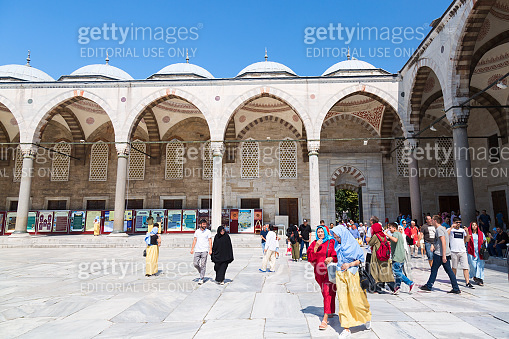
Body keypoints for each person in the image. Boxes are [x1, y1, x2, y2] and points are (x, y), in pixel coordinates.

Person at [330, 225, 371, 338]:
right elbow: (336, 255)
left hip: (352, 273)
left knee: (356, 299)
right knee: (343, 300)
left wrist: (349, 264)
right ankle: (346, 328)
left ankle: (366, 317)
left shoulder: (352, 244)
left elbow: (360, 260)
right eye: (335, 237)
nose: (336, 239)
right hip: (340, 273)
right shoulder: (337, 243)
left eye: (337, 237)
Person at [420, 215, 461, 294]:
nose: (431, 221)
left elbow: (443, 242)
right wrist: (434, 245)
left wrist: (444, 255)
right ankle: (456, 288)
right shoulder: (442, 228)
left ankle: (429, 286)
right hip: (443, 253)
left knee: (434, 270)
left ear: (435, 221)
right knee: (448, 271)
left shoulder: (439, 229)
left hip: (440, 254)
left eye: (432, 220)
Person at [307, 225, 337, 330]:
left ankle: (325, 318)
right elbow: (310, 258)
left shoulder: (332, 242)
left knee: (327, 292)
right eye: (318, 232)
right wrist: (316, 247)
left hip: (329, 272)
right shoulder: (314, 243)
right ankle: (331, 310)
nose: (320, 234)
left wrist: (331, 258)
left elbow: (337, 254)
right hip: (319, 272)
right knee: (328, 292)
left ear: (326, 232)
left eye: (322, 232)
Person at [385, 223, 414, 294]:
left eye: (390, 228)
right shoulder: (399, 234)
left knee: (395, 271)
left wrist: (387, 234)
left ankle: (409, 282)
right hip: (401, 256)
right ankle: (397, 288)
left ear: (394, 228)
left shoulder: (395, 234)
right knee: (399, 273)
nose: (389, 229)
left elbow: (395, 240)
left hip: (397, 256)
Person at [368, 221, 396, 293]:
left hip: (376, 255)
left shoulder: (375, 236)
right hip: (383, 255)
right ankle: (393, 287)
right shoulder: (383, 235)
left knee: (375, 271)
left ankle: (377, 288)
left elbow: (370, 243)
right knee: (384, 271)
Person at [448, 217, 474, 288]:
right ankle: (453, 280)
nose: (458, 224)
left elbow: (467, 240)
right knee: (454, 267)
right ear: (453, 222)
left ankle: (467, 282)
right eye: (457, 222)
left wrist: (467, 231)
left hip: (462, 251)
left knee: (465, 267)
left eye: (459, 222)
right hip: (454, 251)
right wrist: (451, 227)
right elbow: (446, 235)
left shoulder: (462, 230)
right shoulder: (451, 230)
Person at [190, 219, 213, 285]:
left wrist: (210, 249)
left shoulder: (208, 231)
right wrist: (192, 249)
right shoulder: (197, 231)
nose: (205, 225)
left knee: (203, 264)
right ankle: (201, 272)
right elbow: (195, 240)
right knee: (195, 263)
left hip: (204, 250)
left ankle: (201, 278)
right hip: (197, 250)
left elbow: (210, 240)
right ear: (200, 225)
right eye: (203, 224)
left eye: (205, 224)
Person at [467, 222, 486, 286]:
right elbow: (466, 242)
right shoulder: (469, 234)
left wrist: (484, 246)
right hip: (471, 252)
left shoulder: (481, 234)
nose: (474, 226)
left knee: (480, 265)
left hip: (479, 252)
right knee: (473, 265)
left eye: (475, 225)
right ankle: (475, 276)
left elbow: (484, 242)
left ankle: (480, 279)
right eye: (473, 225)